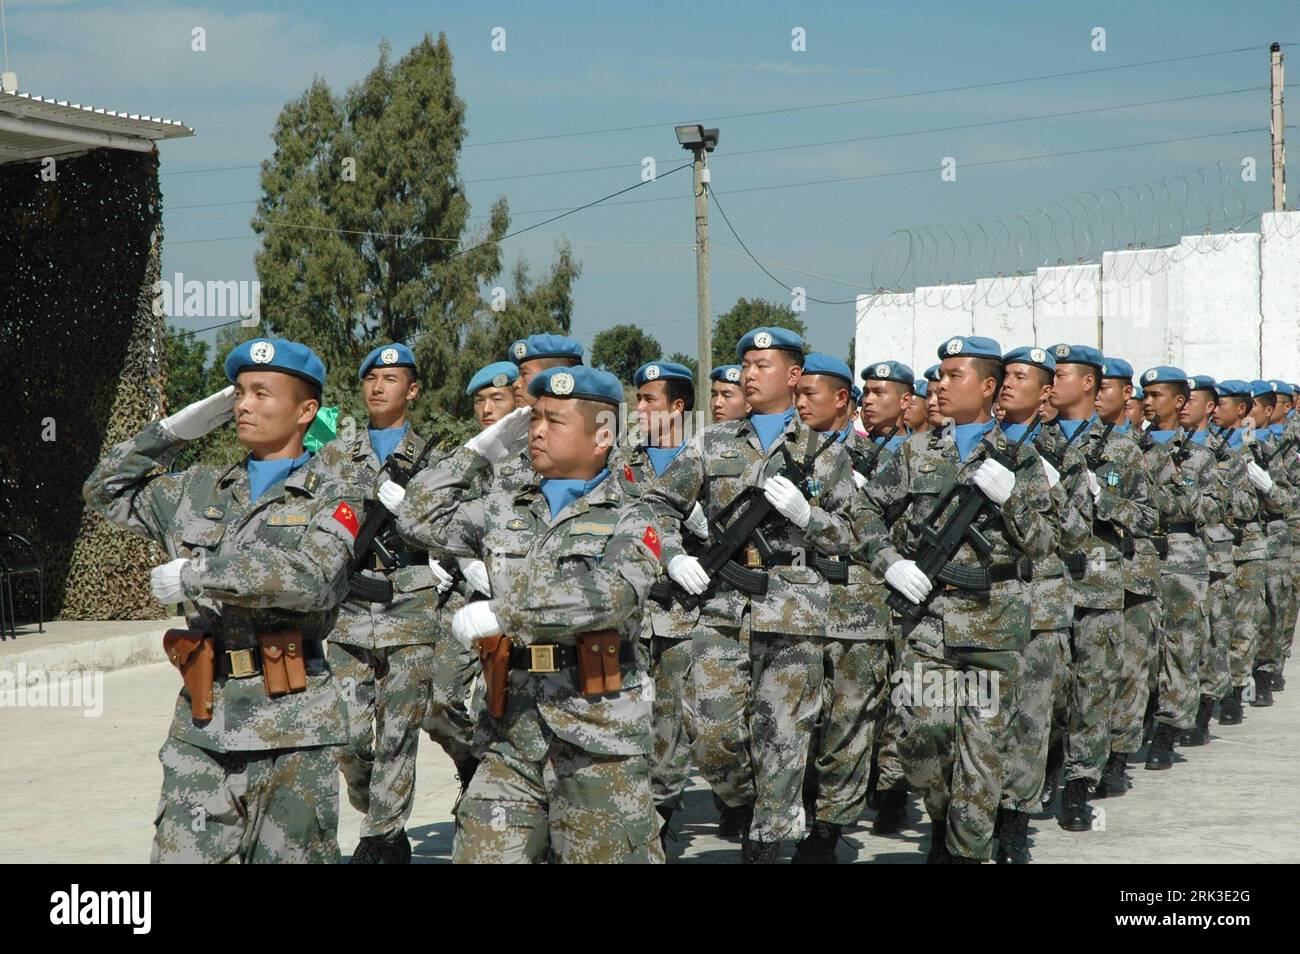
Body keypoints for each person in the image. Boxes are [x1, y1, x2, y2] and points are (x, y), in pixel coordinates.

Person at [83, 338, 360, 862]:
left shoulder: (335, 491)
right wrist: (170, 433)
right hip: (203, 724)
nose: (243, 405)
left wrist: (197, 573)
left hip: (293, 729)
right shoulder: (197, 489)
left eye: (261, 392)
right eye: (239, 393)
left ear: (307, 411)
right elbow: (103, 490)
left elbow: (311, 578)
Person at [389, 367, 665, 863]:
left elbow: (612, 595)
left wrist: (506, 613)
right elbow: (415, 516)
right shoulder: (502, 508)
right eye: (534, 418)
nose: (536, 430)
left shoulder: (634, 515)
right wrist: (478, 451)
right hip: (510, 732)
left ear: (603, 435)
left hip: (598, 740)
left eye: (554, 421)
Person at [642, 327, 861, 863]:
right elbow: (651, 509)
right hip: (721, 604)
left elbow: (853, 534)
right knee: (710, 729)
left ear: (792, 376)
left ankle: (767, 841)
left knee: (785, 736)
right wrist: (672, 554)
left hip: (796, 607)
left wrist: (809, 517)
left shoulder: (823, 450)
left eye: (762, 364)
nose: (748, 373)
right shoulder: (712, 441)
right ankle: (744, 799)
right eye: (744, 364)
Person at [858, 335, 1056, 863]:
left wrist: (1011, 499)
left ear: (988, 386)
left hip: (994, 623)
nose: (939, 385)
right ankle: (946, 815)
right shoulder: (915, 452)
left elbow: (1046, 543)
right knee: (922, 739)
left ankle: (964, 850)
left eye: (953, 375)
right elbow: (863, 515)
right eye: (938, 376)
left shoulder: (1024, 460)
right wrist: (890, 564)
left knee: (983, 753)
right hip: (926, 621)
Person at [314, 342, 455, 864]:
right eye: (371, 377)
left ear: (412, 390)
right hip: (350, 608)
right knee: (348, 738)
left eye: (391, 378)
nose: (378, 386)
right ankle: (376, 807)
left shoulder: (435, 458)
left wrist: (419, 514)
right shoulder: (334, 453)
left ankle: (384, 838)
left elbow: (457, 524)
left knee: (398, 732)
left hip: (410, 604)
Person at [792, 353, 891, 862]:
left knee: (847, 722)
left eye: (812, 393)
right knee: (799, 721)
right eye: (798, 392)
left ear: (841, 400)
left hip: (856, 607)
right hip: (796, 605)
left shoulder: (874, 459)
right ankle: (802, 809)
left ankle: (830, 828)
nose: (801, 401)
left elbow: (868, 534)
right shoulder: (787, 452)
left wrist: (808, 519)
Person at [993, 346, 1088, 861]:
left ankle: (1014, 825)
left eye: (1020, 377)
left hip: (1039, 604)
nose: (1008, 383)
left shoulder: (1061, 456)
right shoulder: (971, 444)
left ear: (1045, 392)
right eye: (1004, 374)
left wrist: (1044, 487)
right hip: (980, 600)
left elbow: (1077, 533)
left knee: (1030, 719)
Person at [626, 360, 705, 845]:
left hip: (684, 614)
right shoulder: (620, 460)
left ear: (677, 406)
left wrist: (707, 524)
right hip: (631, 612)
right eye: (637, 399)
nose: (637, 408)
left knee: (671, 720)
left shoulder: (706, 462)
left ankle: (662, 809)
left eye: (649, 399)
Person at [1135, 366, 1223, 770]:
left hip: (1182, 560)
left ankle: (1167, 733)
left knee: (1180, 649)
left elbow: (1195, 507)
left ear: (1180, 401)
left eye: (1157, 395)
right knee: (1139, 651)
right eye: (1145, 395)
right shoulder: (1128, 446)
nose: (1148, 403)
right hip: (1137, 557)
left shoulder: (1201, 455)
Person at [1090, 358, 1160, 796]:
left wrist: (1106, 501)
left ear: (1125, 394)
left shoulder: (1138, 448)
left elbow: (1150, 515)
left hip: (1132, 572)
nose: (1098, 394)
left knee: (1130, 669)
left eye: (1106, 387)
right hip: (1085, 576)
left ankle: (1117, 757)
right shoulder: (1069, 444)